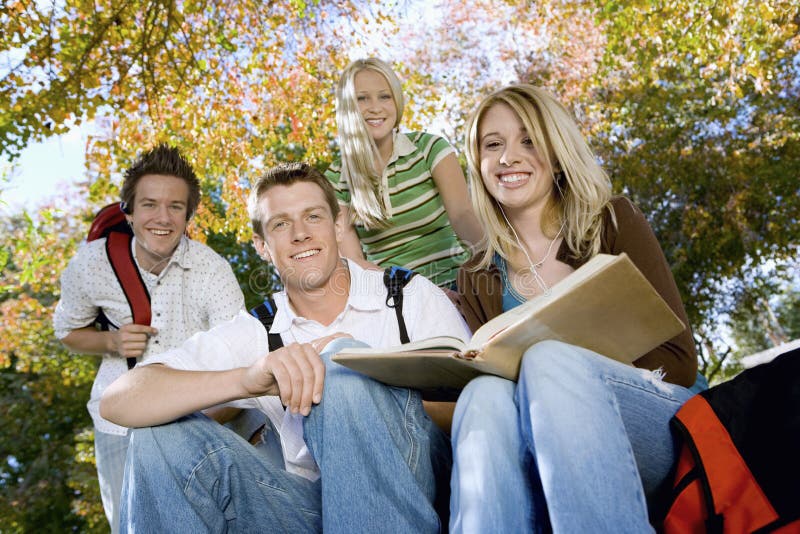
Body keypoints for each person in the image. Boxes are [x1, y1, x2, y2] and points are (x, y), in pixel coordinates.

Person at [100, 162, 471, 532]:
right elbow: (118, 401)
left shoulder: (408, 296)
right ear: (262, 246)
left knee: (341, 371)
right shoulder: (259, 331)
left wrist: (367, 380)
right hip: (308, 512)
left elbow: (474, 413)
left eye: (313, 216)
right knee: (157, 438)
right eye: (280, 224)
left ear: (338, 225)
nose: (300, 234)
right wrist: (250, 379)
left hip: (418, 487)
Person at [449, 84, 699, 532]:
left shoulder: (613, 221)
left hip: (654, 422)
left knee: (549, 359)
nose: (509, 157)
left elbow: (679, 363)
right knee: (482, 394)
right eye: (493, 144)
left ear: (557, 149)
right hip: (534, 438)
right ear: (479, 163)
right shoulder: (475, 275)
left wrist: (568, 370)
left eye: (528, 140)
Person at [53, 144, 245, 533]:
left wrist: (197, 420)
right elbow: (67, 332)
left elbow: (240, 359)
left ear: (189, 215)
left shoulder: (211, 270)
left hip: (200, 418)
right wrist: (112, 343)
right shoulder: (91, 264)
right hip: (118, 427)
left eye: (176, 206)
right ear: (128, 211)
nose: (162, 217)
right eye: (149, 204)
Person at [326, 57, 483, 287]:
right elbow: (355, 263)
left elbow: (463, 216)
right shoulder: (335, 181)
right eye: (362, 99)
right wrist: (418, 297)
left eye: (385, 96)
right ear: (348, 107)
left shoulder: (429, 149)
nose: (375, 107)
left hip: (460, 286)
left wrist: (495, 273)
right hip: (397, 301)